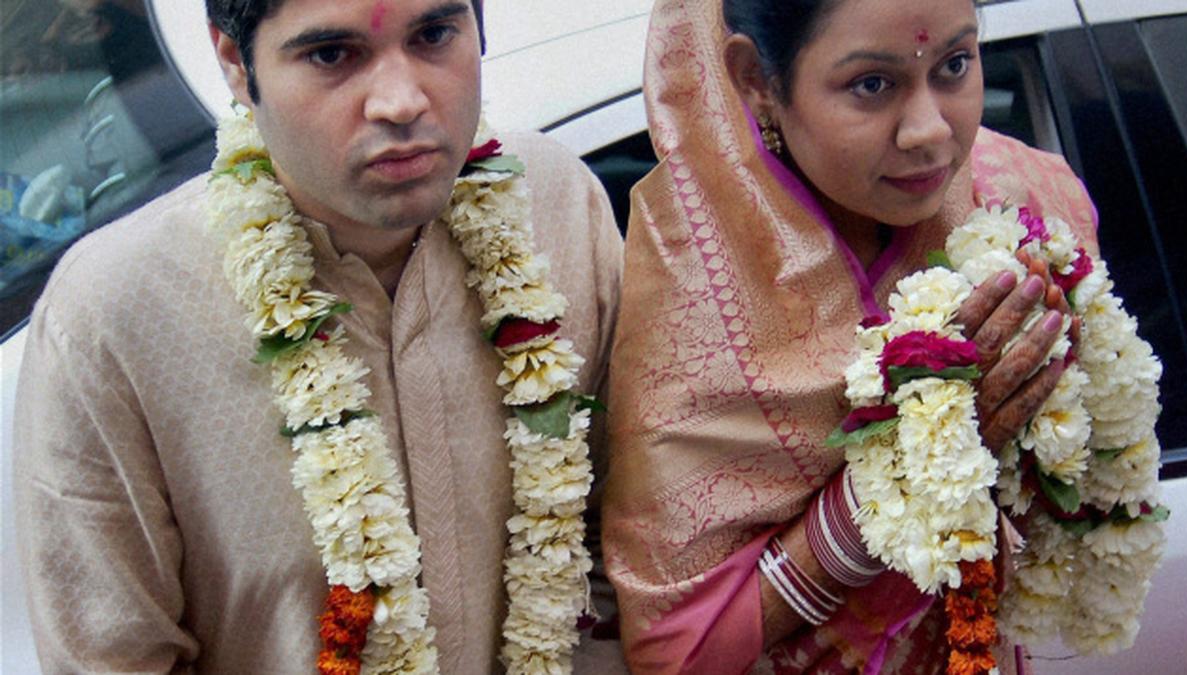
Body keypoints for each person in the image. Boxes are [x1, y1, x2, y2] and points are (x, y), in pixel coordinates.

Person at [13, 0, 626, 672]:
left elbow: (619, 545)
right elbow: (113, 657)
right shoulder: (114, 316)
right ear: (234, 64)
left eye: (433, 35)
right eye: (332, 55)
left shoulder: (558, 202)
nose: (400, 101)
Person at [602, 0, 1101, 672]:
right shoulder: (700, 286)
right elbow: (678, 650)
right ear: (756, 80)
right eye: (873, 84)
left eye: (955, 63)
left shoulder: (1024, 202)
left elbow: (1090, 501)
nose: (928, 131)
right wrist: (902, 467)